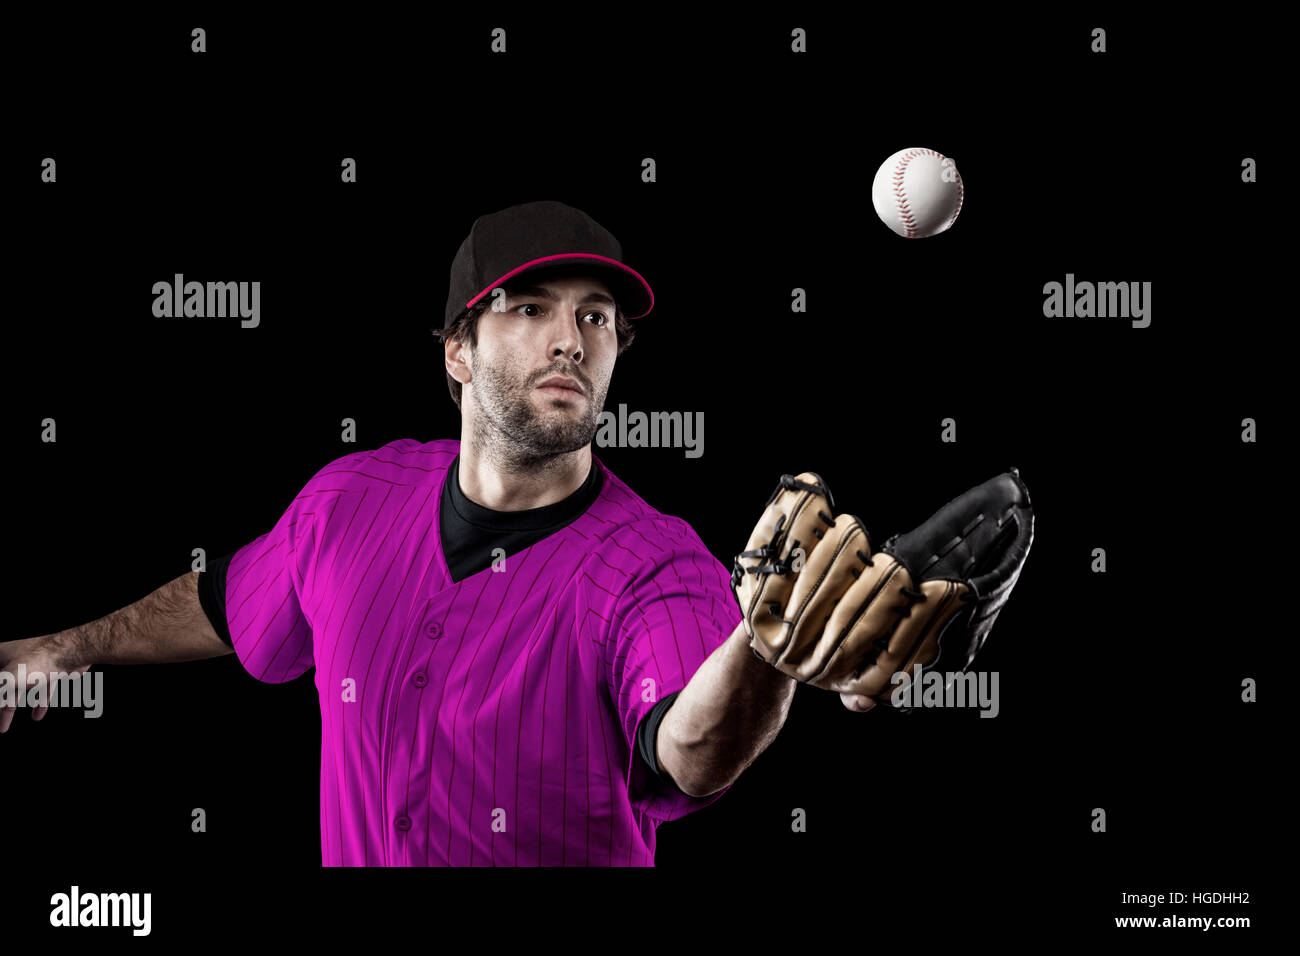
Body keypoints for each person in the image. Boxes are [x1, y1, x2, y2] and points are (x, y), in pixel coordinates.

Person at [0, 200, 826, 866]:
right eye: (531, 308)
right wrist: (66, 647)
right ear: (458, 350)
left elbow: (686, 749)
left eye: (598, 318)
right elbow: (226, 601)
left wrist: (762, 655)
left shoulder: (657, 563)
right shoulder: (351, 498)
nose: (571, 340)